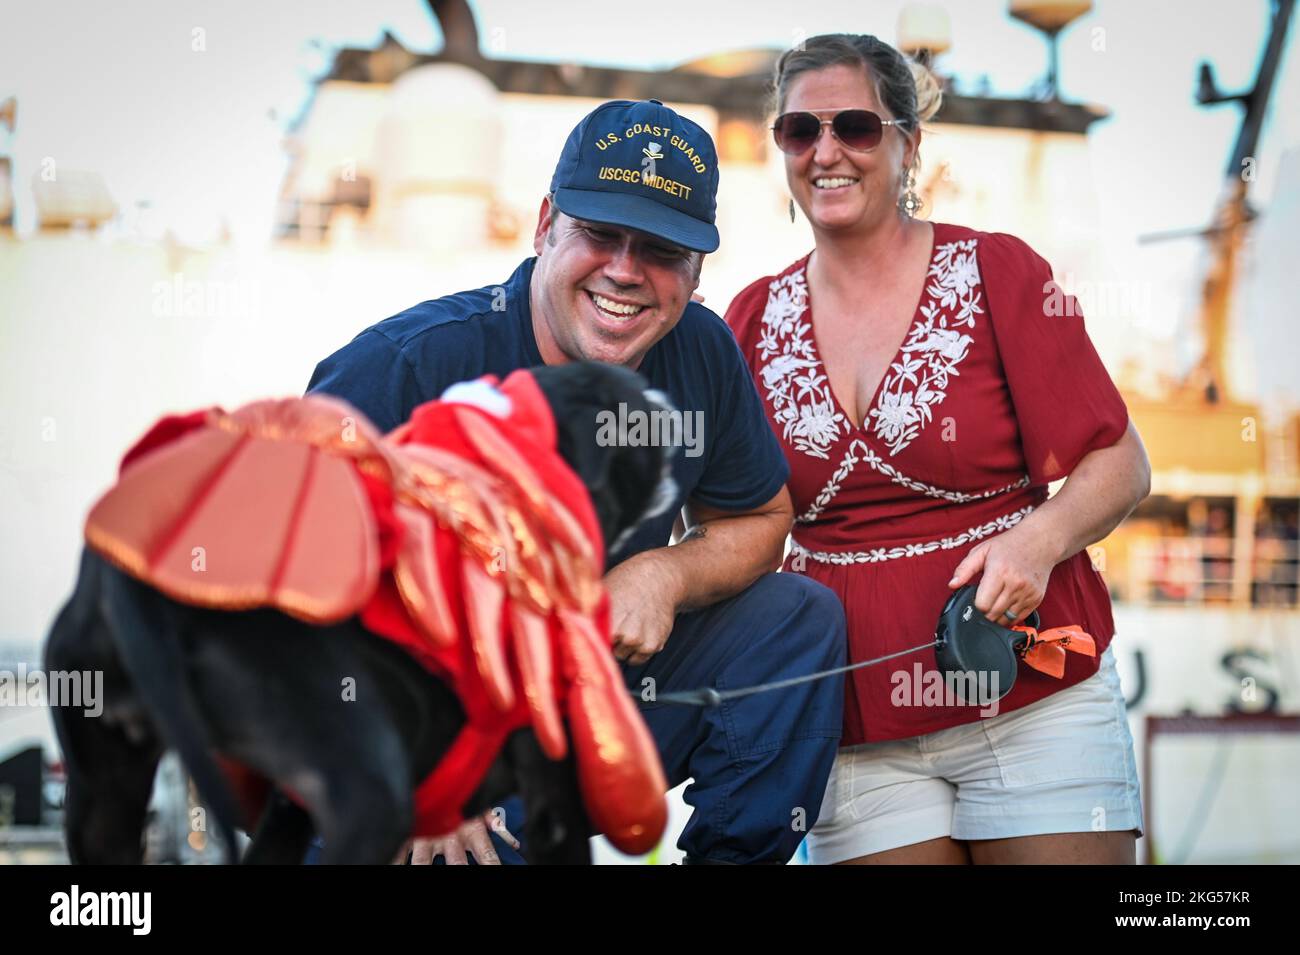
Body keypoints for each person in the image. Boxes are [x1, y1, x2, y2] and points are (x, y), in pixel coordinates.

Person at [307, 99, 847, 864]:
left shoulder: (700, 350)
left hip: (574, 712)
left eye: (660, 248)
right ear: (545, 224)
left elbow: (761, 519)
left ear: (697, 270)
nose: (625, 271)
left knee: (797, 617)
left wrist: (666, 571)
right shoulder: (407, 365)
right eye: (600, 233)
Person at [725, 34, 1152, 864]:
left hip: (1032, 696)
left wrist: (1038, 541)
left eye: (855, 125)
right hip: (850, 725)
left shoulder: (1000, 272)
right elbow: (731, 525)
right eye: (798, 132)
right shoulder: (746, 319)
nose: (826, 152)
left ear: (908, 142)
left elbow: (1120, 461)